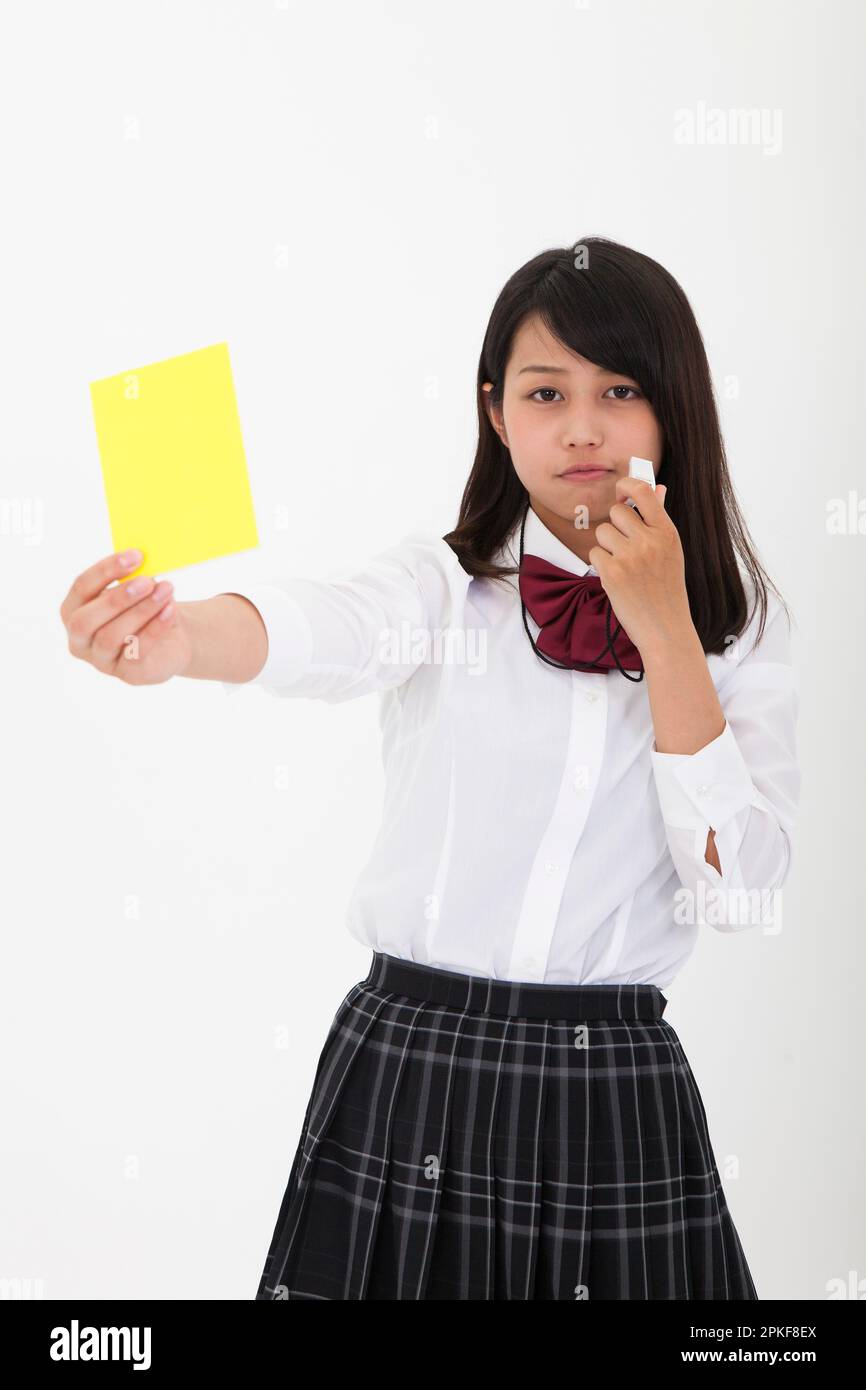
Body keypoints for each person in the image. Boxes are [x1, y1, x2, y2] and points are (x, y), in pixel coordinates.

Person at [60, 236, 800, 1300]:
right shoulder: (443, 590)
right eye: (545, 391)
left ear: (671, 410)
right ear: (495, 413)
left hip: (616, 1094)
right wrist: (182, 641)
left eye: (620, 388)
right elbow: (327, 627)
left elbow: (741, 892)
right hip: (412, 1074)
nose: (582, 425)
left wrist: (668, 635)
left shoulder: (743, 631)